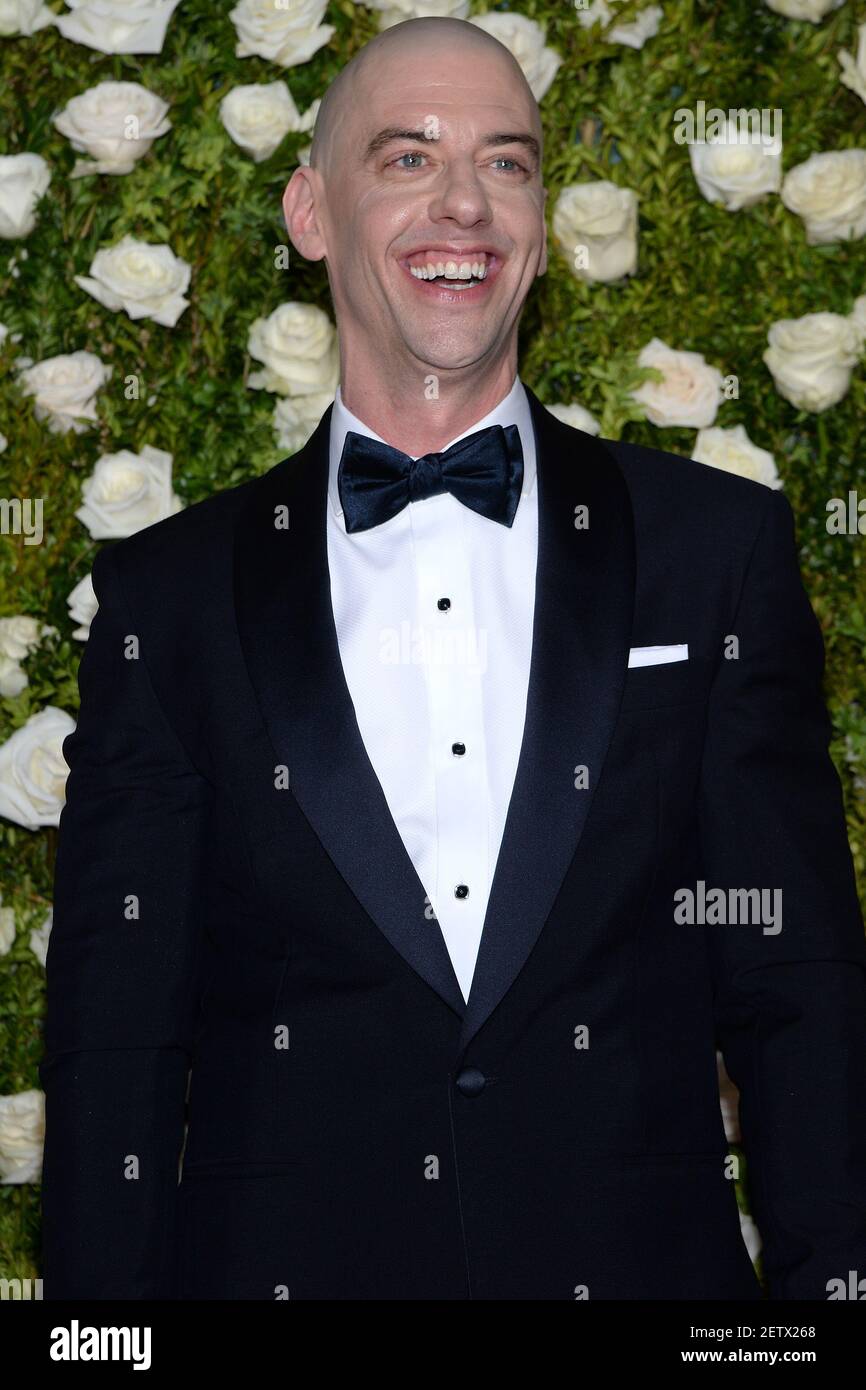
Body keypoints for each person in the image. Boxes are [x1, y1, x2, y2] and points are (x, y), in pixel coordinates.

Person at [40, 17, 866, 1300]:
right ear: (310, 212)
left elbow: (796, 987)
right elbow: (116, 1046)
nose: (465, 204)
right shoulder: (172, 598)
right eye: (408, 158)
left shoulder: (716, 551)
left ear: (540, 225)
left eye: (507, 162)